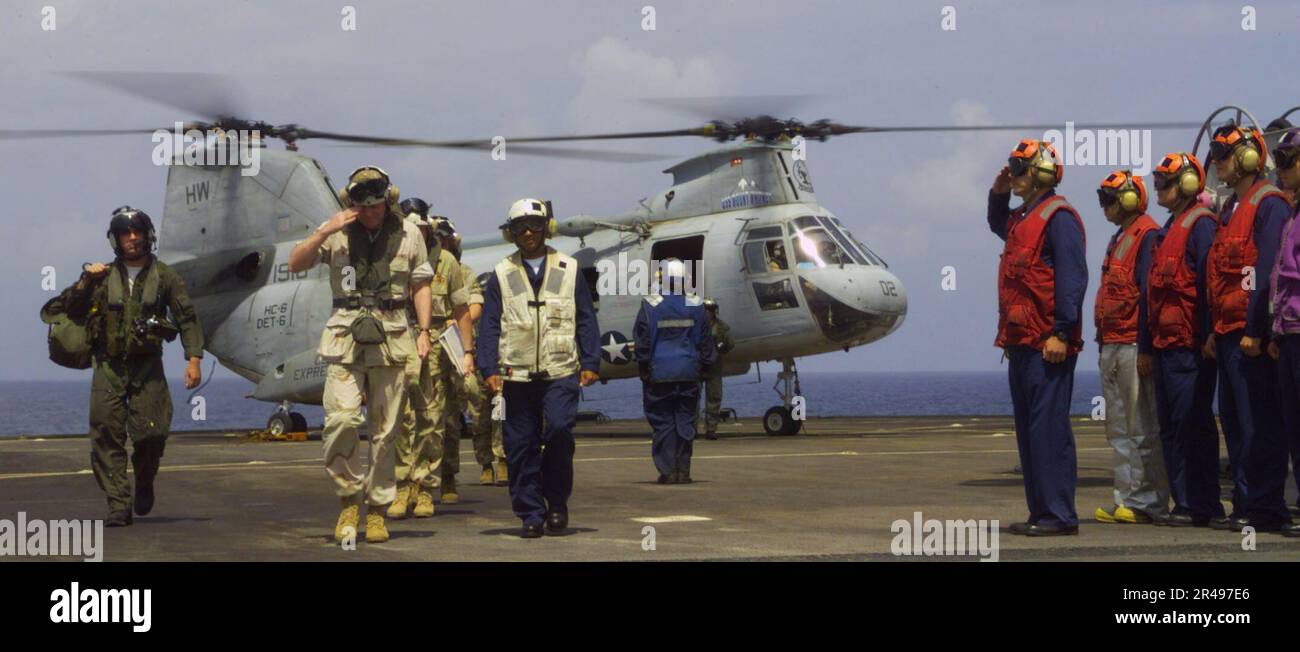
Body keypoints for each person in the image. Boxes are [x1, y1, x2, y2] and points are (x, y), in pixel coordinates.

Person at [287, 167, 470, 544]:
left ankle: (377, 512)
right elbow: (296, 263)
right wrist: (324, 230)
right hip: (345, 338)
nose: (370, 212)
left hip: (392, 337)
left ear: (387, 201)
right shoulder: (335, 232)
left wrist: (423, 332)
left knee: (387, 433)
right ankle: (348, 503)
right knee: (341, 422)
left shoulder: (408, 235)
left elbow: (420, 285)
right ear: (351, 203)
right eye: (361, 206)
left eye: (376, 206)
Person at [41, 206, 204, 526]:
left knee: (151, 435)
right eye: (124, 233)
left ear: (148, 235)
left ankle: (144, 480)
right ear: (115, 239)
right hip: (108, 366)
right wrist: (87, 280)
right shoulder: (101, 278)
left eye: (137, 232)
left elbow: (187, 318)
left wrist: (194, 360)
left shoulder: (166, 276)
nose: (132, 238)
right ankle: (118, 503)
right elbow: (61, 309)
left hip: (148, 368)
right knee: (105, 435)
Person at [476, 198, 600, 538]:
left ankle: (557, 502)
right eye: (520, 228)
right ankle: (531, 512)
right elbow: (488, 325)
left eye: (534, 226)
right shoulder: (501, 273)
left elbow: (585, 317)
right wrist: (488, 366)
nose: (528, 232)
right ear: (512, 233)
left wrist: (591, 360)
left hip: (560, 369)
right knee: (519, 445)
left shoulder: (569, 268)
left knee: (560, 431)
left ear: (547, 228)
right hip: (515, 374)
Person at [988, 139, 1088, 536]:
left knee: (1049, 430)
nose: (1014, 175)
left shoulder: (1060, 217)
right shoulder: (1024, 219)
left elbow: (1072, 279)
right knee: (1030, 430)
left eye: (1020, 168)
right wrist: (997, 193)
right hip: (1021, 343)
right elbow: (1000, 225)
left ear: (1041, 173)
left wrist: (1062, 332)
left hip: (1047, 343)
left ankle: (1059, 515)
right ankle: (1040, 512)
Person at [1204, 125, 1294, 533]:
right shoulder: (1229, 211)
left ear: (1248, 157)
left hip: (1248, 333)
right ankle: (1245, 500)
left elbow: (1263, 273)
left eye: (1224, 155)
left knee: (1260, 422)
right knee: (1236, 423)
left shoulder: (1267, 204)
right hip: (1227, 332)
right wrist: (1212, 329)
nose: (1218, 163)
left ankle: (1265, 504)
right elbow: (1220, 277)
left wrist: (1257, 329)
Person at [1146, 152, 1224, 527]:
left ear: (1189, 184)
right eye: (1158, 181)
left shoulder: (1201, 225)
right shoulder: (1168, 229)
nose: (1158, 188)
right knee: (1171, 427)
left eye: (1166, 182)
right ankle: (1185, 501)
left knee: (1192, 424)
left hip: (1190, 347)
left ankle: (1202, 503)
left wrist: (1210, 332)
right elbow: (1152, 295)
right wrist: (1147, 346)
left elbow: (1212, 285)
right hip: (1165, 346)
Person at [387, 200, 473, 518]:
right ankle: (402, 486)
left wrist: (467, 353)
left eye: (420, 229)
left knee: (432, 421)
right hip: (398, 341)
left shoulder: (447, 262)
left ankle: (425, 488)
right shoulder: (393, 257)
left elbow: (462, 309)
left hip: (435, 345)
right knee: (400, 419)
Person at [1093, 170, 1168, 524]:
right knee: (1119, 428)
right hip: (1112, 342)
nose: (1105, 205)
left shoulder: (1147, 235)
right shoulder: (1119, 238)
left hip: (1132, 344)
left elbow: (1148, 295)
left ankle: (1148, 502)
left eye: (1111, 198)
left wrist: (1145, 348)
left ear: (1129, 199)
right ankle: (1126, 498)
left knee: (1141, 426)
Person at [635, 260, 716, 483]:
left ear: (662, 279)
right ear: (685, 279)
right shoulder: (697, 304)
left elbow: (642, 340)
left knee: (663, 423)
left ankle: (668, 471)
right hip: (688, 372)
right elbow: (706, 342)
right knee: (685, 421)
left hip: (659, 373)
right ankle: (683, 470)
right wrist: (707, 367)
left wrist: (643, 365)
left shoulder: (649, 305)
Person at [1265, 129, 1300, 537]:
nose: (1283, 168)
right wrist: (1276, 332)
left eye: (1289, 159)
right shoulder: (1292, 214)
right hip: (1289, 334)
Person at [700, 298, 734, 440]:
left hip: (714, 365)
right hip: (698, 365)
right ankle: (689, 429)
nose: (708, 313)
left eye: (710, 310)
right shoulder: (696, 326)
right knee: (692, 397)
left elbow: (730, 343)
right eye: (706, 310)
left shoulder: (722, 327)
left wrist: (720, 349)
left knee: (714, 397)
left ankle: (711, 429)